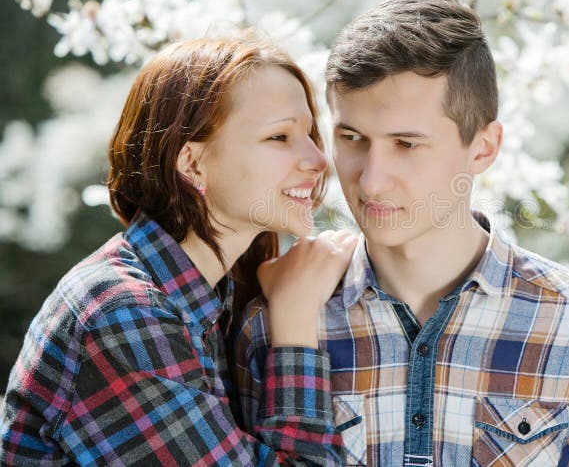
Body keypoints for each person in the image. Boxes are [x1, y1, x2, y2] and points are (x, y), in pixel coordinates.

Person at [235, 0, 569, 466]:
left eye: (406, 144)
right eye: (352, 139)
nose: (370, 179)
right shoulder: (274, 327)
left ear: (483, 148)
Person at [0, 36, 357, 465]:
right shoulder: (120, 313)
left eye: (310, 133)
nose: (318, 160)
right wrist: (295, 318)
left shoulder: (214, 300)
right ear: (191, 164)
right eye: (280, 137)